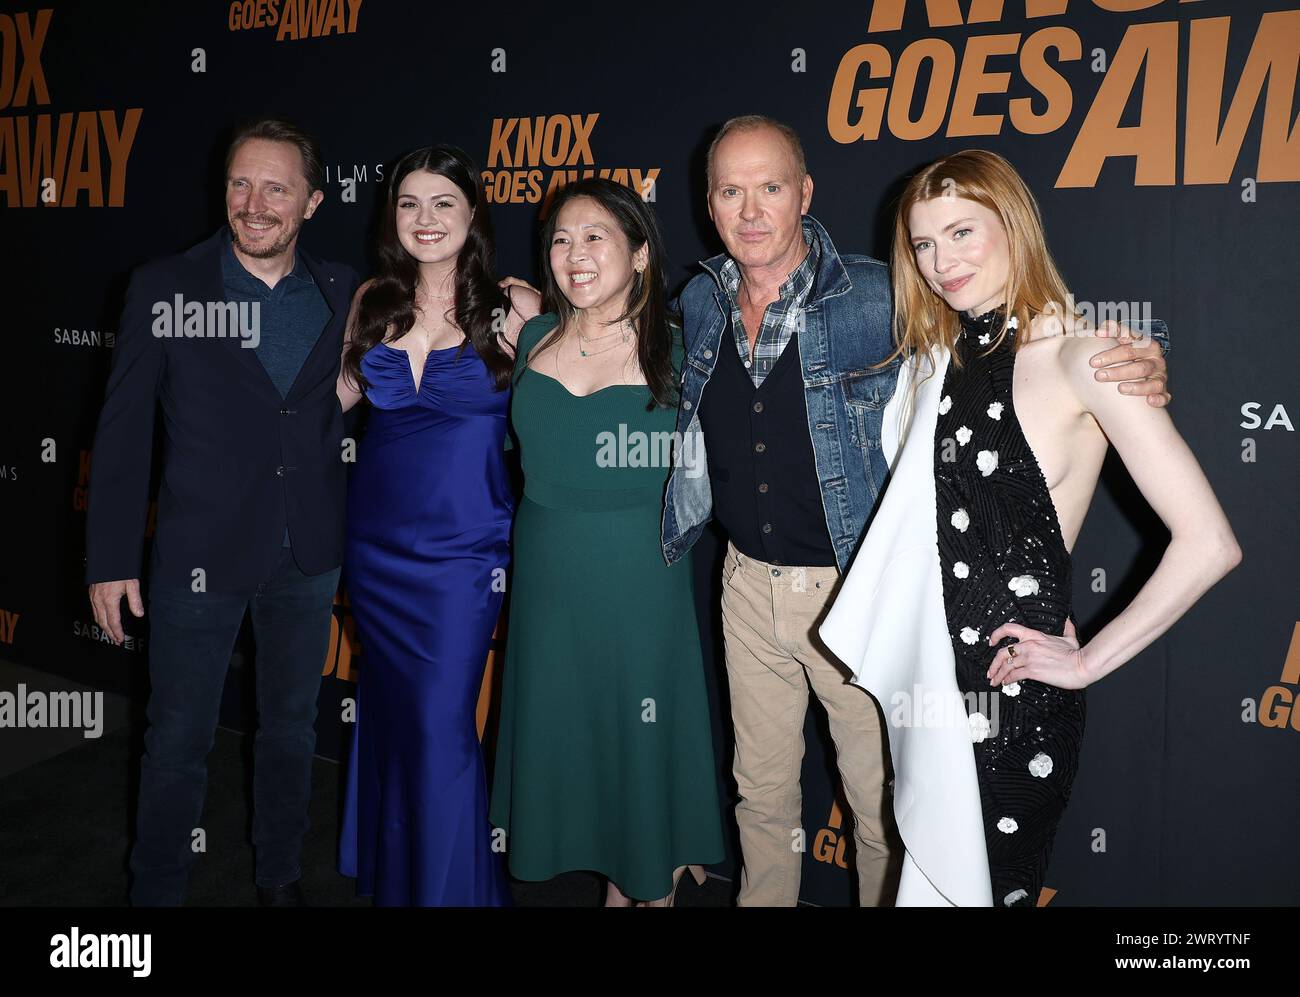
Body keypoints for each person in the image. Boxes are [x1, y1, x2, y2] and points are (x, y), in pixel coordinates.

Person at [660, 115, 1174, 906]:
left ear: (805, 194)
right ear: (709, 201)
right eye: (731, 190)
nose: (751, 210)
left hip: (856, 591)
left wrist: (1131, 360)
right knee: (759, 798)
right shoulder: (698, 300)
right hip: (742, 586)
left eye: (770, 187)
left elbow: (1005, 349)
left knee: (882, 809)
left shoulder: (879, 294)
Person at [820, 149, 1240, 907]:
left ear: (1013, 225)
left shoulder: (1088, 357)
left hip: (1012, 702)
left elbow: (1209, 541)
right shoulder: (940, 358)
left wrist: (1085, 662)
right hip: (934, 685)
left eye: (961, 232)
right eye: (923, 243)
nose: (941, 261)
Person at [85, 119, 358, 906]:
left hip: (306, 554)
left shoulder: (343, 290)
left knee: (292, 732)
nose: (255, 202)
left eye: (277, 186)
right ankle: (157, 894)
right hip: (196, 556)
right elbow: (124, 425)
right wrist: (108, 558)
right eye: (241, 183)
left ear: (310, 200)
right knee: (177, 741)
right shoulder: (167, 285)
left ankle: (277, 877)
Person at [490, 178, 725, 906]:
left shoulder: (687, 354)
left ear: (642, 252)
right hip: (547, 593)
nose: (574, 253)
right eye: (560, 238)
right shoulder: (530, 337)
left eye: (596, 236)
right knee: (578, 756)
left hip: (639, 591)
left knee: (638, 766)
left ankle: (647, 892)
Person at [335, 145, 539, 905]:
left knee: (441, 728)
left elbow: (570, 397)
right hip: (376, 550)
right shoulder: (374, 302)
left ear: (474, 213)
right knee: (392, 712)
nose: (426, 219)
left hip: (466, 555)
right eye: (410, 204)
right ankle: (399, 876)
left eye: (443, 202)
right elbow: (327, 406)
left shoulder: (513, 305)